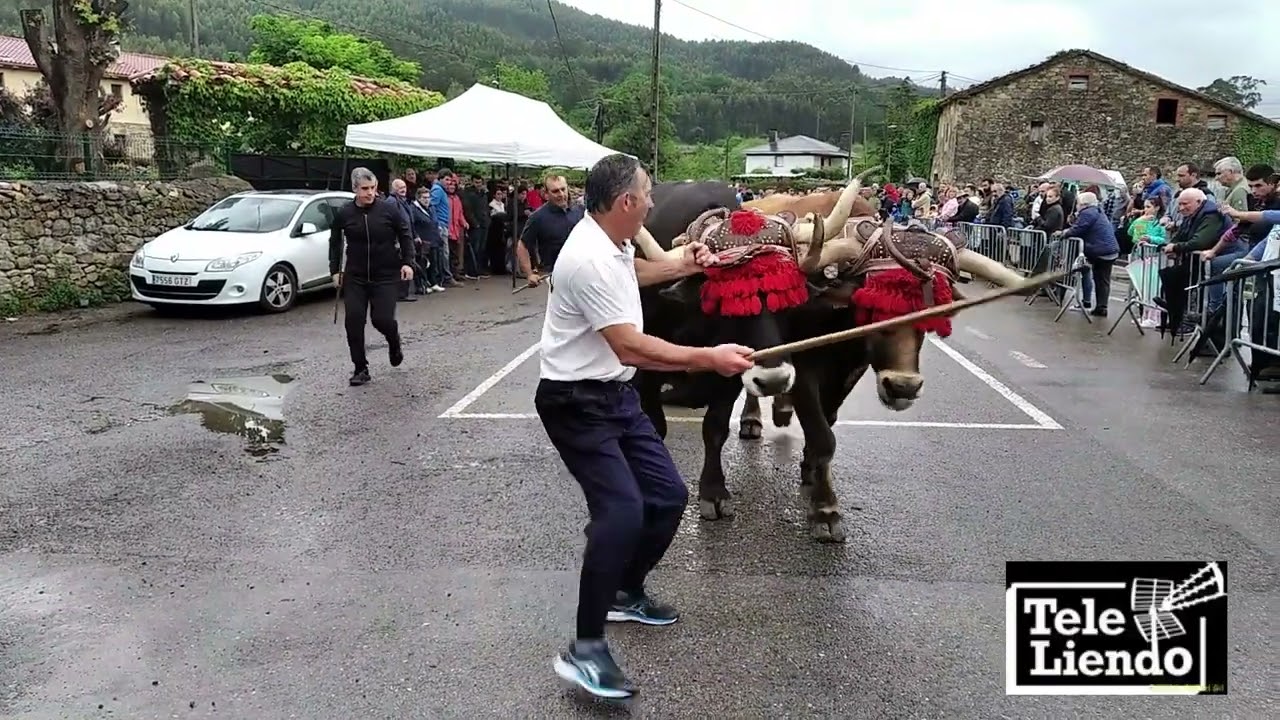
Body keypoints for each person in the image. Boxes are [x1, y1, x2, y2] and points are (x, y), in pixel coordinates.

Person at [538, 153, 755, 700]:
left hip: (616, 395)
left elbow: (634, 274)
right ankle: (585, 649)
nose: (654, 203)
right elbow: (630, 347)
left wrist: (686, 266)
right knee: (621, 512)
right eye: (648, 194)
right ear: (627, 201)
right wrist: (709, 358)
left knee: (668, 496)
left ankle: (624, 591)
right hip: (575, 402)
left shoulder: (612, 242)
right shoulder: (586, 257)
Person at [329, 167, 416, 386]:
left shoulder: (389, 210)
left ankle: (393, 340)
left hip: (385, 274)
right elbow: (335, 242)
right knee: (354, 321)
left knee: (382, 319)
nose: (370, 193)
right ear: (355, 189)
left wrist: (407, 262)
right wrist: (335, 270)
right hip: (356, 276)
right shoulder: (345, 213)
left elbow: (405, 234)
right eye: (364, 189)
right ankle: (360, 368)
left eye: (373, 188)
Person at [518, 174, 586, 287]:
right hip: (555, 277)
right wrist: (529, 274)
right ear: (546, 194)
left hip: (583, 274)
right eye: (555, 191)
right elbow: (522, 245)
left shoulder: (580, 211)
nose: (561, 194)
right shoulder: (538, 217)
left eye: (563, 189)